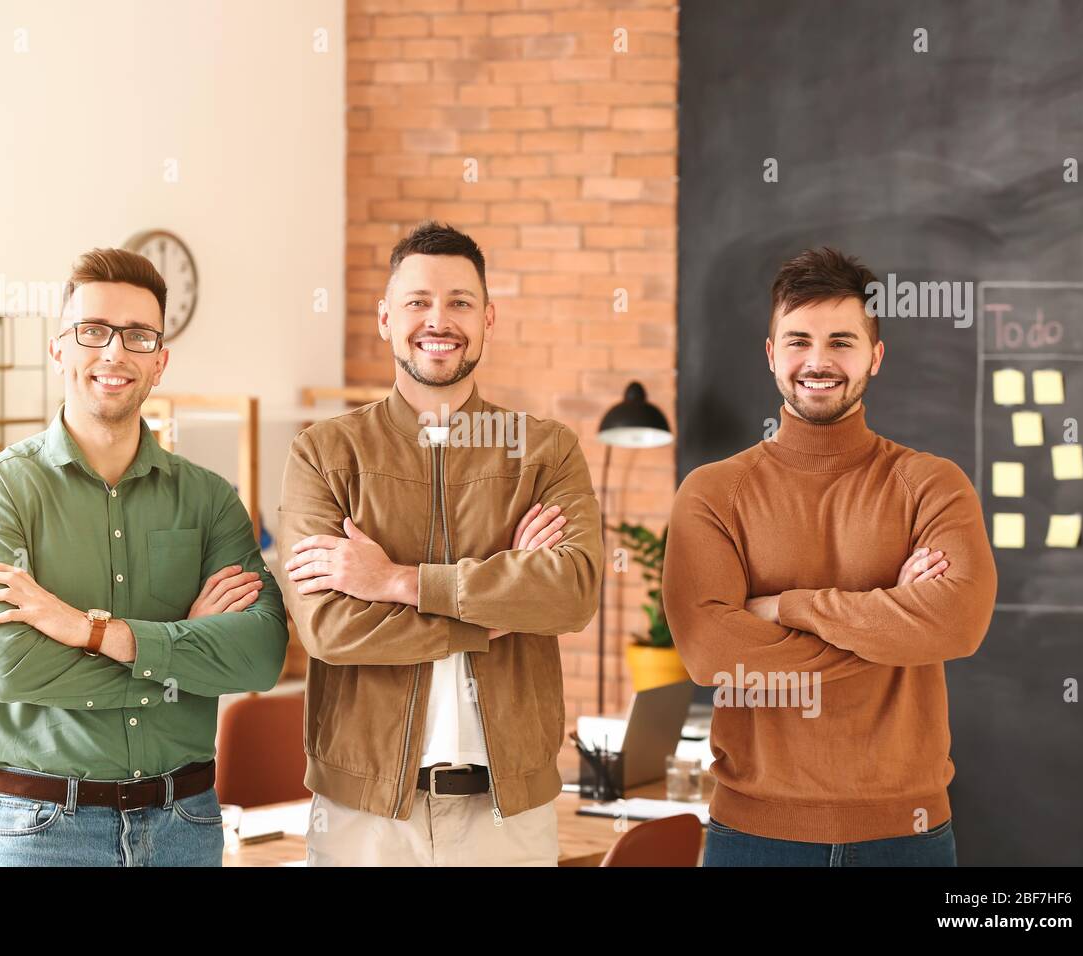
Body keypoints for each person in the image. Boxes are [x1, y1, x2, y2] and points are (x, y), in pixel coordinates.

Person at [274, 221, 603, 866]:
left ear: (488, 319)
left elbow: (570, 596)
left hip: (508, 813)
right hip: (362, 817)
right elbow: (329, 627)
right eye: (418, 302)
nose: (439, 320)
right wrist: (494, 610)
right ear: (386, 318)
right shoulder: (324, 453)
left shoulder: (544, 450)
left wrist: (395, 580)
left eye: (460, 302)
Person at [0, 247, 288, 866]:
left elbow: (261, 656)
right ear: (59, 350)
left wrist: (88, 631)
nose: (114, 352)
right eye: (93, 331)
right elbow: (8, 669)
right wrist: (182, 651)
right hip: (44, 828)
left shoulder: (210, 500)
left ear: (160, 362)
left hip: (186, 823)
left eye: (137, 336)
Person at [663, 246, 997, 866]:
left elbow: (959, 622)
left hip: (908, 838)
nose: (818, 362)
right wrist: (893, 617)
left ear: (875, 355)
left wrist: (782, 608)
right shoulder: (712, 493)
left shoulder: (932, 483)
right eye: (798, 341)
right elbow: (713, 656)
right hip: (754, 840)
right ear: (770, 354)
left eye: (841, 341)